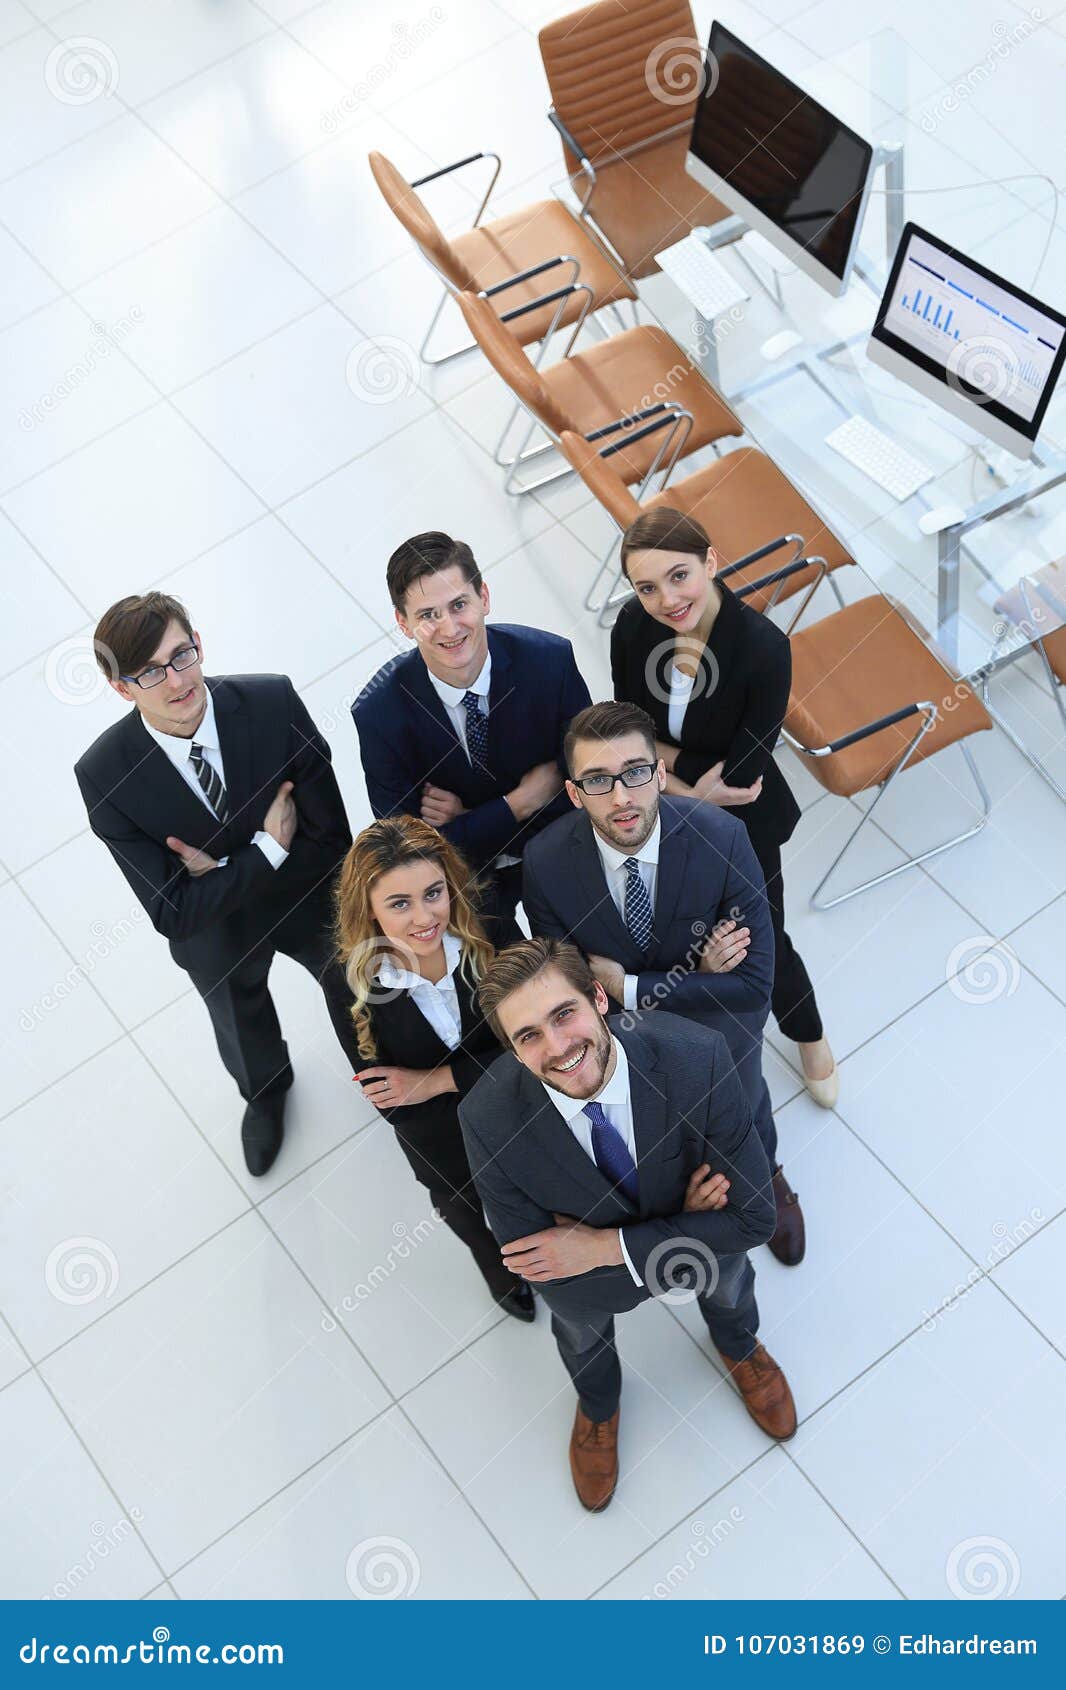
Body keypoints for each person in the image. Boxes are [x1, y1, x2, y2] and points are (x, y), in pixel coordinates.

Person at [460, 937, 796, 1512]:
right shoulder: (486, 1119)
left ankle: (739, 1344)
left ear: (599, 999)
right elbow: (550, 1277)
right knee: (578, 1326)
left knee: (729, 1282)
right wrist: (687, 1228)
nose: (559, 1047)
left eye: (564, 1014)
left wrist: (602, 1247)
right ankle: (598, 1403)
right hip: (622, 1273)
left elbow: (755, 1218)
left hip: (666, 1254)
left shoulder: (698, 1057)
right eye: (529, 1036)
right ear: (514, 1053)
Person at [74, 592, 355, 1176]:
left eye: (182, 655)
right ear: (121, 688)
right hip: (217, 929)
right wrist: (269, 848)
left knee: (359, 983)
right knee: (237, 1012)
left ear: (199, 645)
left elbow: (332, 842)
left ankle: (381, 1068)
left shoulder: (272, 700)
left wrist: (219, 874)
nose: (176, 680)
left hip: (308, 894)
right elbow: (172, 913)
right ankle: (266, 1091)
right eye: (150, 672)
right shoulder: (103, 774)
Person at [521, 700, 806, 1267]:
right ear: (575, 793)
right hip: (625, 1056)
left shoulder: (722, 837)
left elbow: (754, 987)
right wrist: (697, 979)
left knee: (745, 1113)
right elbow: (571, 997)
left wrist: (626, 984)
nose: (622, 797)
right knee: (662, 1146)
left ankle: (764, 1175)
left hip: (725, 1048)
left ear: (658, 773)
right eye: (599, 781)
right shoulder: (545, 862)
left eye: (634, 773)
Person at [611, 506, 837, 1106]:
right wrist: (686, 780)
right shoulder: (633, 627)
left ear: (711, 561)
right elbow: (625, 732)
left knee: (761, 936)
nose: (666, 599)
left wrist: (659, 766)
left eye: (680, 575)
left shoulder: (763, 647)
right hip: (657, 811)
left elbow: (742, 777)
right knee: (675, 933)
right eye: (648, 586)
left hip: (740, 827)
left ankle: (806, 1030)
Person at [336, 816, 534, 1323]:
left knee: (537, 1187)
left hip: (528, 1105)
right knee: (461, 1204)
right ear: (371, 910)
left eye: (433, 893)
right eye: (399, 904)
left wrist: (437, 1082)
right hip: (440, 1138)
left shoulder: (490, 928)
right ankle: (493, 1261)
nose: (425, 918)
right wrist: (482, 1074)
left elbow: (539, 1044)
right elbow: (393, 1102)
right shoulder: (348, 982)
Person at [351, 531, 592, 919]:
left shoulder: (550, 661)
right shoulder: (378, 713)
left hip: (560, 847)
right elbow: (410, 851)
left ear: (484, 598)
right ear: (403, 622)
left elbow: (587, 784)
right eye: (428, 615)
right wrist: (518, 803)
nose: (449, 629)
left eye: (458, 605)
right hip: (463, 879)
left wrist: (465, 822)